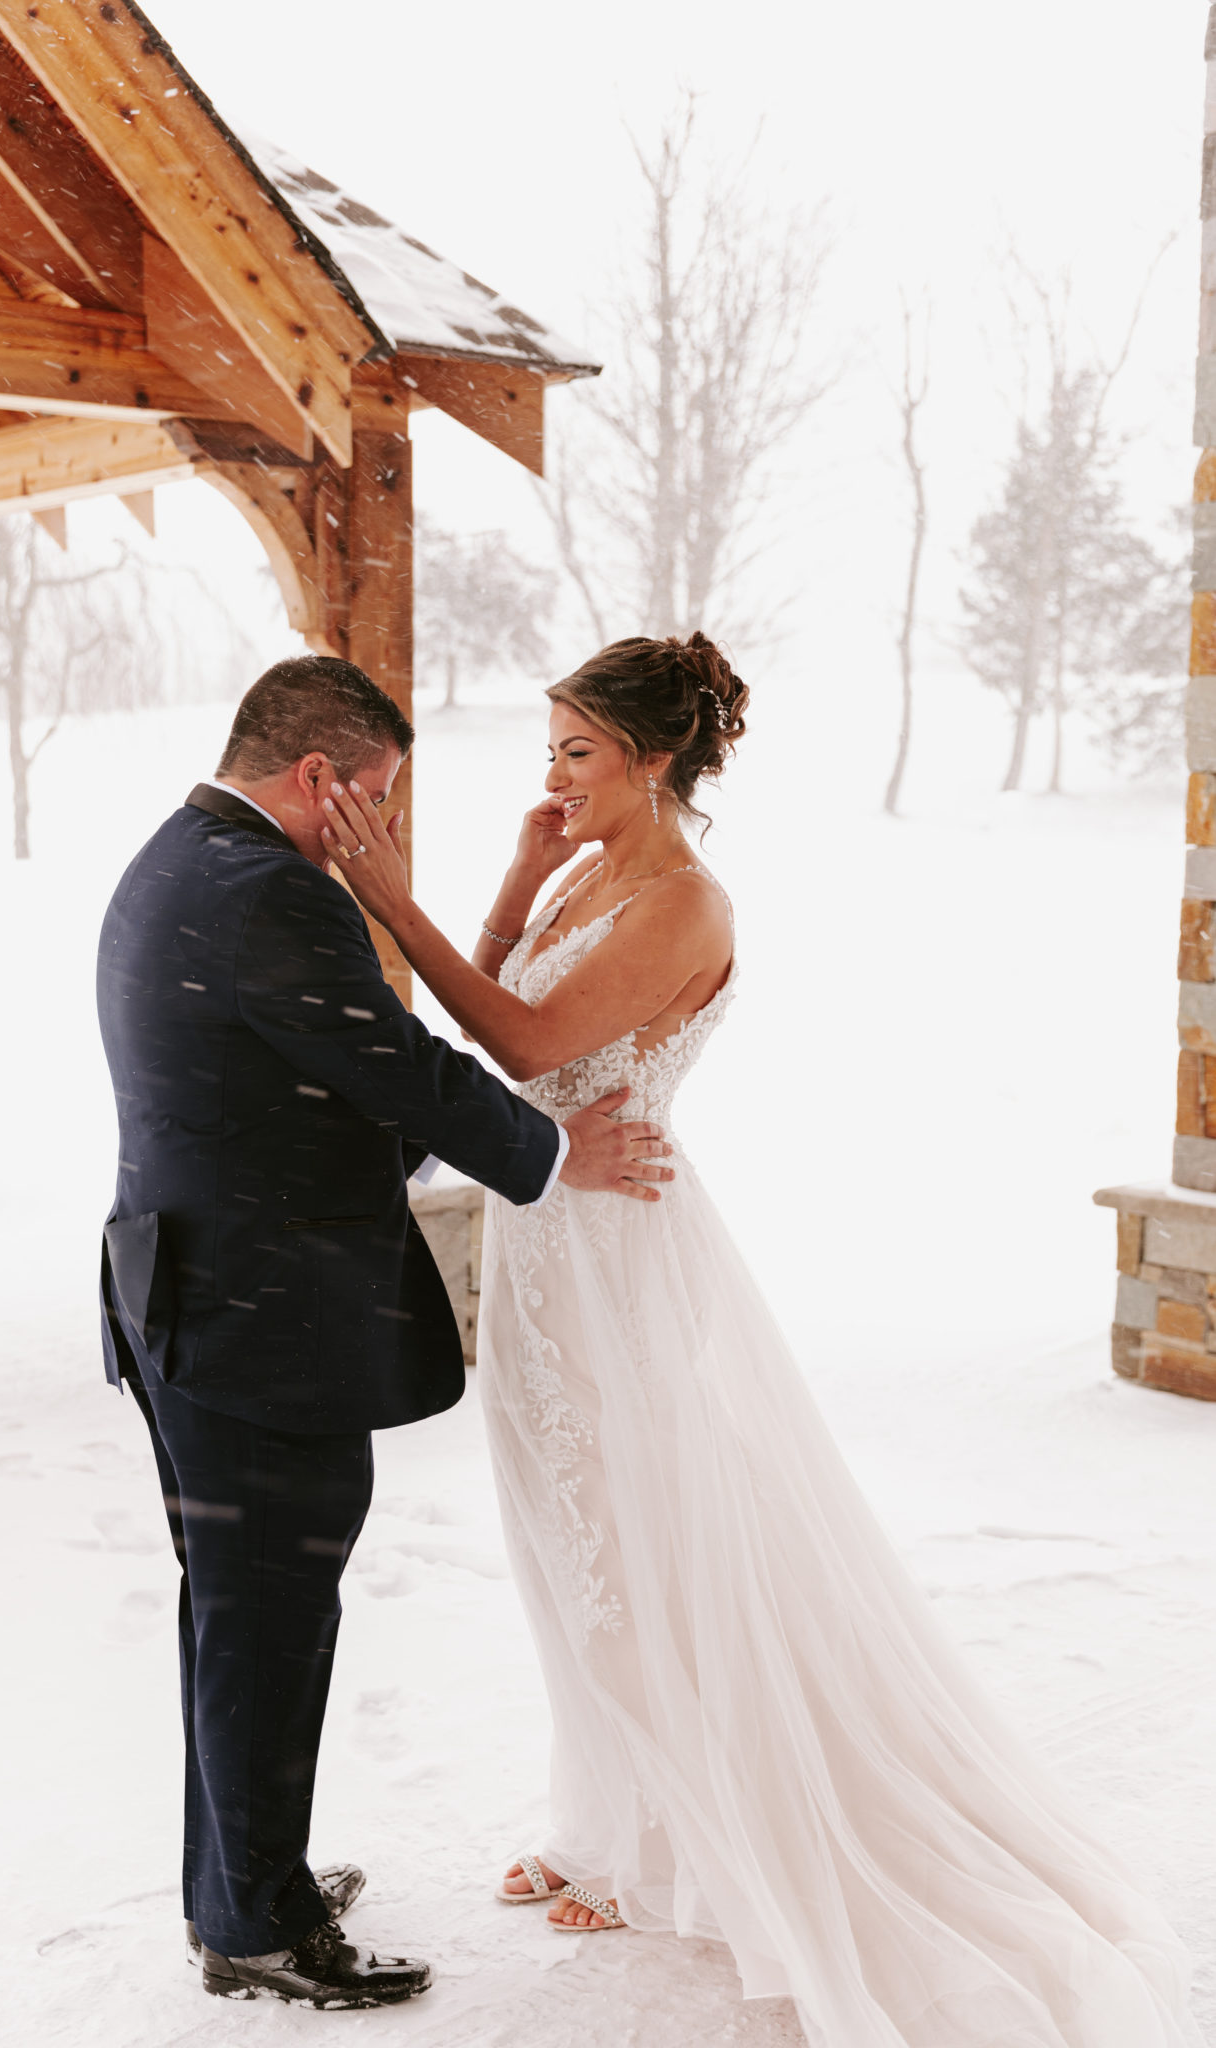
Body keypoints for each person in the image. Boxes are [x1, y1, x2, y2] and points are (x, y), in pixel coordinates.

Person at [320, 630, 1201, 2048]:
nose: (553, 776)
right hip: (548, 1241)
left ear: (653, 759)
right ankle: (614, 1820)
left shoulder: (682, 900)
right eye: (550, 748)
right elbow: (485, 1029)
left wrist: (384, 891)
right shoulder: (593, 869)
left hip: (624, 1257)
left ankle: (683, 1839)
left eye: (578, 752)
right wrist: (510, 882)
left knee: (641, 1543)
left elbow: (534, 1049)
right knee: (565, 1542)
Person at [95, 655, 673, 2012]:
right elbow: (393, 1063)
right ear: (319, 780)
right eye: (374, 800)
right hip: (253, 1325)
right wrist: (549, 1153)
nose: (377, 829)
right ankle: (256, 1923)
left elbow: (338, 1054)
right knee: (262, 1622)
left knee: (234, 1614)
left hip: (191, 1295)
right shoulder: (264, 887)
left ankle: (247, 1884)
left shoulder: (181, 855)